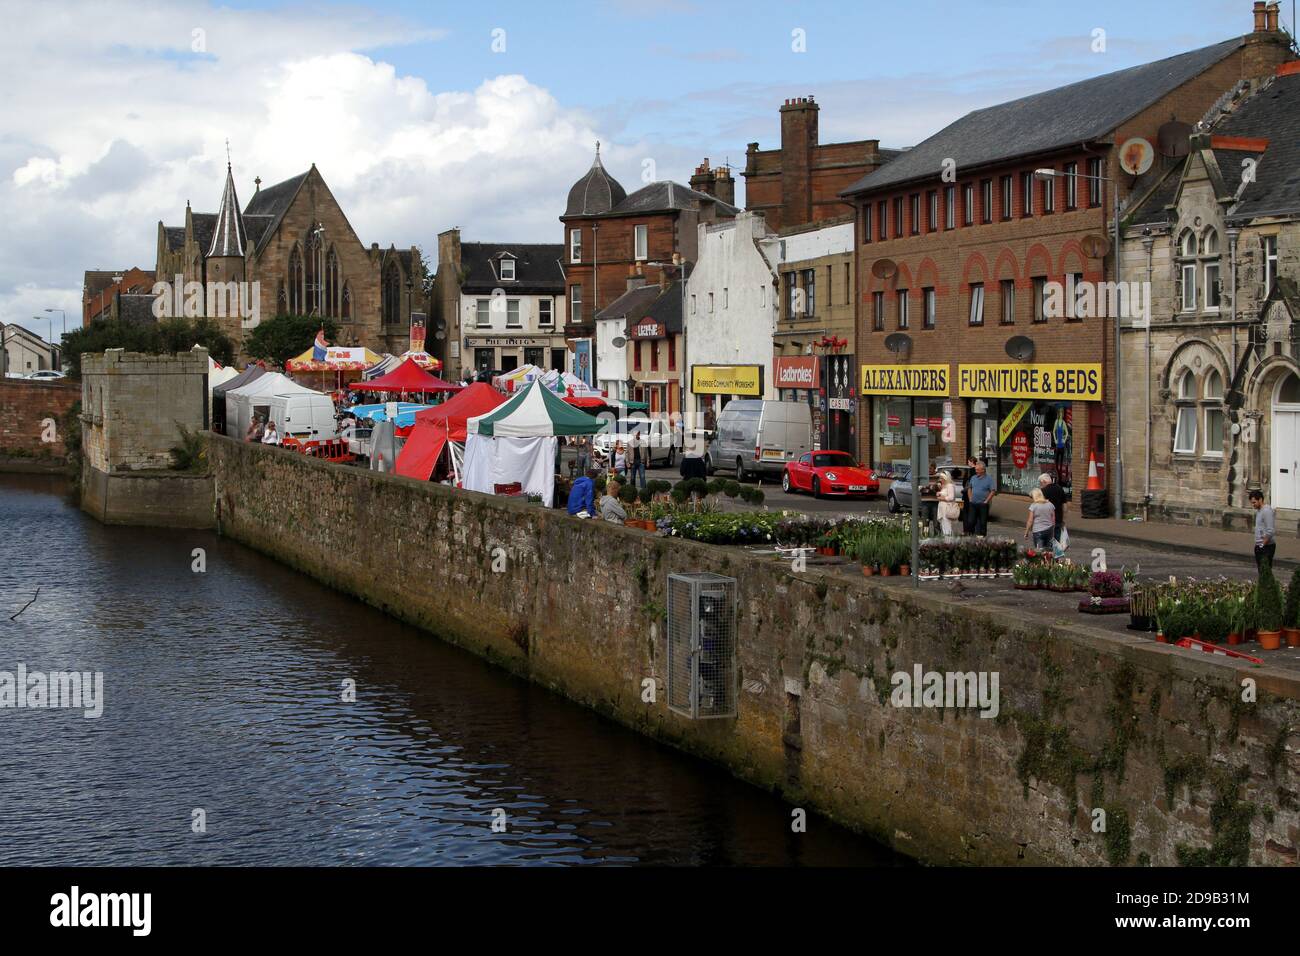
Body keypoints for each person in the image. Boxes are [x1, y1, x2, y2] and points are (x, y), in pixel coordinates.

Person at [966, 457, 995, 536]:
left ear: (983, 470)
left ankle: (982, 539)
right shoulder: (973, 478)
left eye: (977, 470)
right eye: (976, 470)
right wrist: (970, 499)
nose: (976, 471)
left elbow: (993, 491)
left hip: (983, 504)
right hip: (973, 503)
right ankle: (971, 536)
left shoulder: (989, 479)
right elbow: (969, 488)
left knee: (982, 523)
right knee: (970, 521)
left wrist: (986, 501)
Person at [1039, 472, 1068, 545]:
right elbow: (1065, 505)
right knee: (1056, 542)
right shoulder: (1060, 488)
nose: (1040, 485)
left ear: (1044, 482)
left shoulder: (1043, 491)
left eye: (1040, 483)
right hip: (1058, 519)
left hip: (1046, 520)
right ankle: (1056, 554)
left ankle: (1048, 555)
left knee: (1046, 543)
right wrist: (1063, 519)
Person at [1251, 489, 1275, 569]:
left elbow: (1270, 531)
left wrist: (1262, 545)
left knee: (1265, 571)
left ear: (1260, 499)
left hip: (1266, 547)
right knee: (1261, 571)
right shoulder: (1259, 511)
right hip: (1260, 545)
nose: (1253, 505)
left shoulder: (1267, 511)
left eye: (1254, 502)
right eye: (1252, 502)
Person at [936, 471, 960, 538]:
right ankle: (946, 542)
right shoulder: (943, 486)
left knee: (947, 526)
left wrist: (941, 498)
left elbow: (951, 497)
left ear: (946, 478)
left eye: (942, 478)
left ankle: (949, 542)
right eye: (940, 478)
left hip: (947, 508)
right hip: (941, 508)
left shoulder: (950, 485)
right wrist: (939, 493)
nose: (941, 480)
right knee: (944, 526)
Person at [960, 457, 977, 534]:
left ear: (972, 462)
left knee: (966, 513)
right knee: (973, 513)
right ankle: (972, 530)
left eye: (968, 462)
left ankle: (967, 530)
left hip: (967, 495)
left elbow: (964, 483)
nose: (968, 463)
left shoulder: (969, 471)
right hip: (975, 495)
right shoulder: (978, 472)